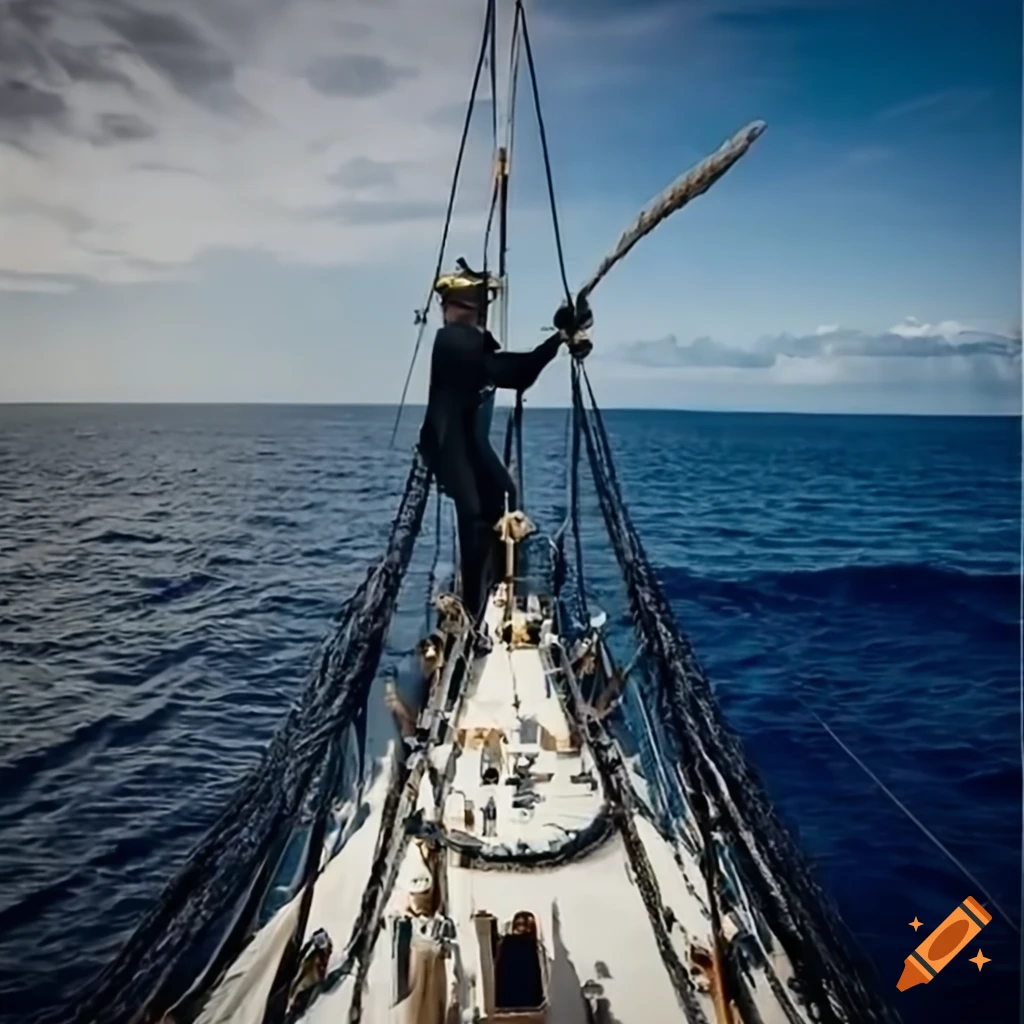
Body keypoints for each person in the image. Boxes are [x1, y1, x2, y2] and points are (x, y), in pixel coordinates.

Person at [418, 261, 592, 631]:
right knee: (475, 513)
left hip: (465, 440)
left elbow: (507, 367)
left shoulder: (467, 340)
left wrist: (560, 340)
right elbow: (513, 372)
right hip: (451, 445)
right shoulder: (455, 339)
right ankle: (472, 610)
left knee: (503, 494)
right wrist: (558, 341)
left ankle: (493, 588)